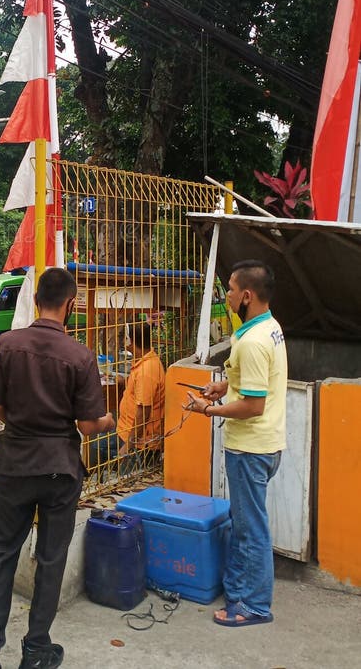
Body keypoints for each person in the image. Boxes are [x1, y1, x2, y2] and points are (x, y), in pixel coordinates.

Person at [0, 267, 115, 669]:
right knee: (50, 557)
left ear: (35, 300)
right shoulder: (79, 355)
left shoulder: (8, 345)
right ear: (71, 304)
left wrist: (23, 425)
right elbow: (87, 424)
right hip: (61, 469)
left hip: (17, 464)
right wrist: (110, 421)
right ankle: (36, 649)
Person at [185, 260, 287, 628]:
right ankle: (241, 593)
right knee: (245, 523)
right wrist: (222, 386)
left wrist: (208, 409)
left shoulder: (256, 341)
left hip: (251, 449)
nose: (224, 294)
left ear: (246, 295)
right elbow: (251, 383)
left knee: (251, 529)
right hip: (264, 445)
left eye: (229, 288)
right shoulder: (265, 327)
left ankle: (256, 606)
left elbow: (254, 404)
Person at [89, 320, 165, 477]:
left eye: (123, 337)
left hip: (140, 441)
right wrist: (123, 380)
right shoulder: (144, 361)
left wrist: (128, 445)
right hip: (126, 429)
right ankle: (101, 479)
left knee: (125, 478)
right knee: (98, 445)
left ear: (130, 340)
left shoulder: (146, 372)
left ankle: (102, 480)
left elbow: (143, 412)